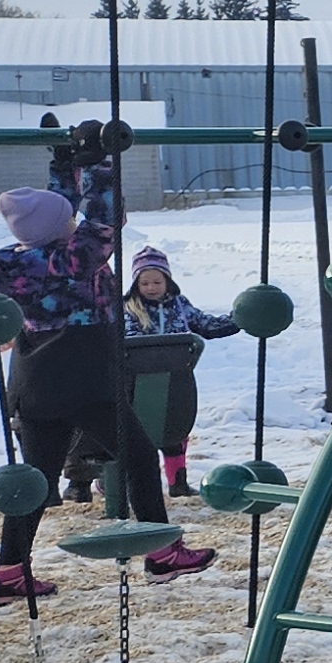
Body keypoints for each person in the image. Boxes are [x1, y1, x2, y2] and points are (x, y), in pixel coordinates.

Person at [0, 126, 177, 600]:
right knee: (141, 456)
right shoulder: (72, 260)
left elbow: (57, 212)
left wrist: (67, 164)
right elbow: (103, 222)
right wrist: (100, 167)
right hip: (82, 380)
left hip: (35, 383)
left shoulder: (26, 262)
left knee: (36, 482)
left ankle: (8, 572)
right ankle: (160, 552)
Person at [116, 243, 236, 570]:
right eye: (145, 283)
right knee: (137, 437)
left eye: (158, 281)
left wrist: (236, 321)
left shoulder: (180, 306)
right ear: (135, 285)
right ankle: (112, 487)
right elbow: (123, 345)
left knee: (175, 429)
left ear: (168, 281)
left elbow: (205, 325)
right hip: (139, 381)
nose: (152, 288)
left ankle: (177, 481)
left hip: (174, 378)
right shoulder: (128, 309)